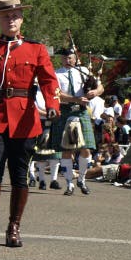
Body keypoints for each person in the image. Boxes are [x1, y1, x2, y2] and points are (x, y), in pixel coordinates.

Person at [0, 0, 60, 248]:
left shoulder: (36, 49)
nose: (11, 20)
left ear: (21, 19)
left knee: (20, 176)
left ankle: (14, 227)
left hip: (24, 119)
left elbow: (48, 80)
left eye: (15, 15)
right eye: (6, 15)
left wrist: (52, 105)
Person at [51, 46, 104, 196]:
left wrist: (95, 92)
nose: (67, 61)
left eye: (70, 58)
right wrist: (75, 99)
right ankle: (69, 184)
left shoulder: (84, 71)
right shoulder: (56, 74)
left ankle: (81, 179)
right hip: (65, 111)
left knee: (86, 148)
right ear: (61, 59)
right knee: (66, 151)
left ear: (75, 58)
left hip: (81, 112)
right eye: (64, 58)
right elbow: (56, 94)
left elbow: (100, 87)